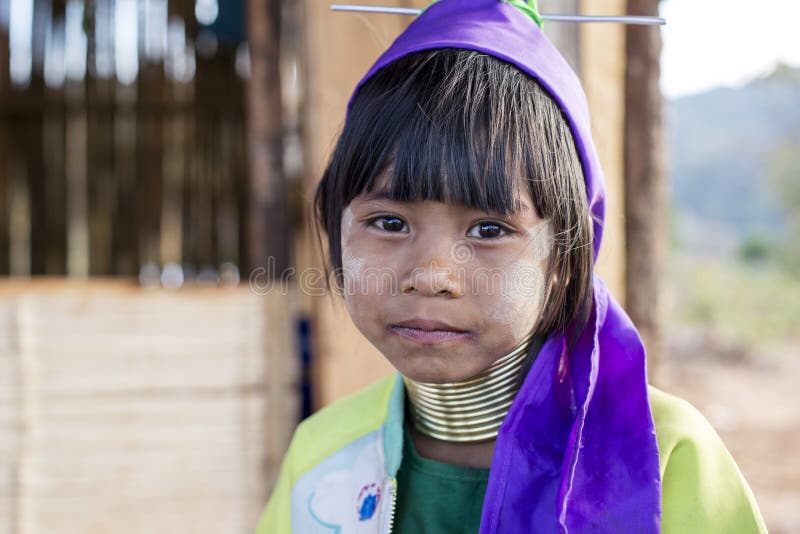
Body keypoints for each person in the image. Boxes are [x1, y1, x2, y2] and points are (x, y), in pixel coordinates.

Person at [255, 0, 767, 532]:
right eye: (388, 222)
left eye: (488, 230)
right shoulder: (321, 458)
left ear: (563, 258)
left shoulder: (666, 456)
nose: (431, 275)